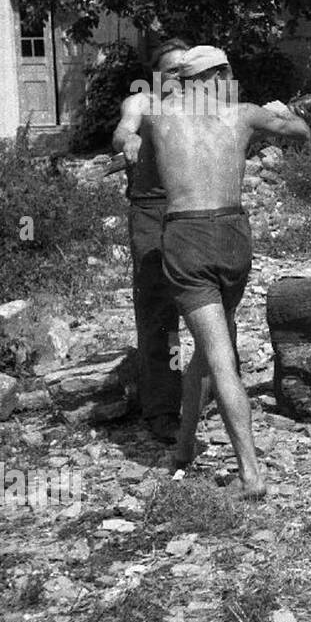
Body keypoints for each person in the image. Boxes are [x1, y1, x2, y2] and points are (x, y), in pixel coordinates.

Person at [116, 45, 310, 496]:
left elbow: (127, 131)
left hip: (188, 238)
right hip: (234, 237)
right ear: (217, 75)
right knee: (209, 349)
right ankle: (184, 448)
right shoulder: (244, 115)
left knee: (218, 356)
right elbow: (300, 131)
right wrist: (286, 112)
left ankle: (250, 475)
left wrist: (129, 141)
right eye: (229, 73)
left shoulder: (157, 115)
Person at [112, 38, 188, 444]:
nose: (177, 76)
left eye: (183, 68)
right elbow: (123, 131)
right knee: (158, 309)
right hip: (151, 211)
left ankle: (219, 396)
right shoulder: (142, 105)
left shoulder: (203, 105)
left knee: (211, 304)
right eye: (169, 70)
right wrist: (132, 140)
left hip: (194, 209)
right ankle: (162, 410)